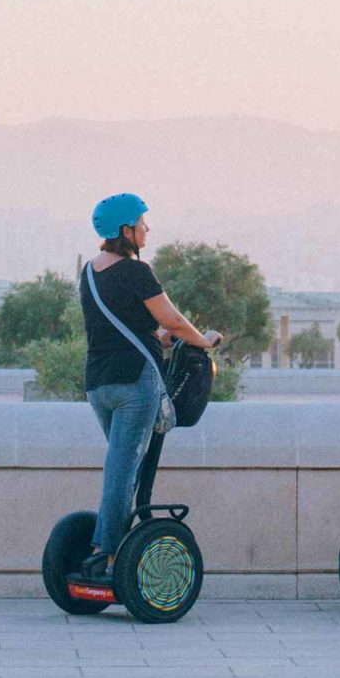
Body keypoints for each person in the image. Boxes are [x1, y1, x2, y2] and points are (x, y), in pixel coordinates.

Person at [78, 193, 223, 584]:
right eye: (142, 223)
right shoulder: (136, 272)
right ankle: (105, 555)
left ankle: (106, 547)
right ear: (125, 231)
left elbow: (132, 330)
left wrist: (164, 337)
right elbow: (172, 319)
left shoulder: (89, 273)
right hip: (133, 384)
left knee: (124, 467)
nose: (147, 229)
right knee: (123, 472)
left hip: (98, 385)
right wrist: (203, 342)